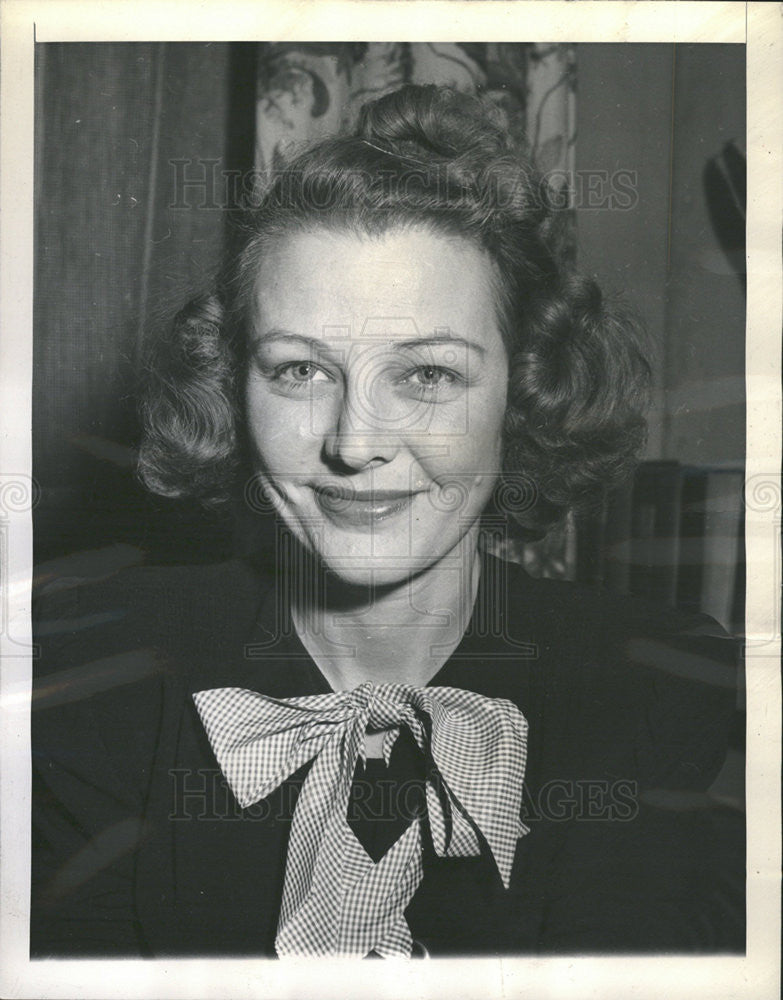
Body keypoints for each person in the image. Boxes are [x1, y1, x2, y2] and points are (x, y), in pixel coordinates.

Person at [31, 84, 744, 958]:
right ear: (231, 386)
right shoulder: (91, 669)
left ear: (520, 393)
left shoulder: (647, 687)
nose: (354, 441)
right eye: (298, 370)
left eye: (428, 376)